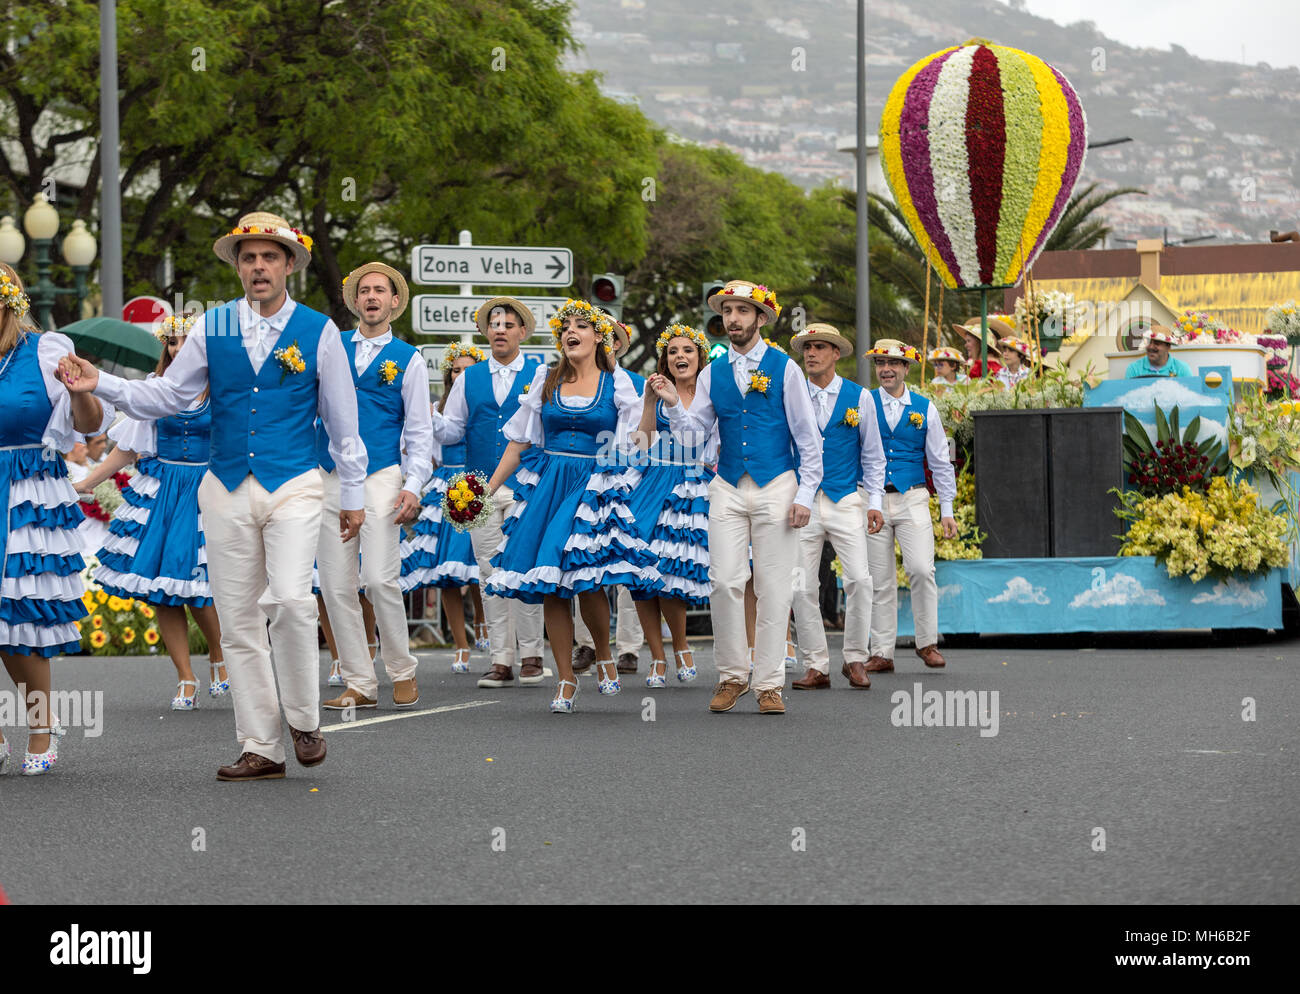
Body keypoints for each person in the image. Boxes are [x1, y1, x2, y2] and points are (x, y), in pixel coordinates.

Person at [60, 210, 367, 782]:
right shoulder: (214, 326)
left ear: (289, 266)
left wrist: (352, 492)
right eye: (248, 257)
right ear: (238, 267)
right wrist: (96, 383)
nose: (258, 266)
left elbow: (343, 421)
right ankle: (261, 745)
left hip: (296, 483)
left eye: (269, 257)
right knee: (238, 617)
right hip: (223, 486)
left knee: (294, 601)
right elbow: (167, 396)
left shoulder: (319, 330)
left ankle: (303, 719)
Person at [648, 280, 822, 716]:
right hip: (726, 483)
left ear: (760, 318)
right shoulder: (712, 372)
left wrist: (805, 493)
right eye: (727, 311)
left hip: (777, 483)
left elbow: (808, 438)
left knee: (772, 587)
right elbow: (693, 437)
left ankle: (768, 683)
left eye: (742, 311)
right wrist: (672, 403)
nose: (733, 319)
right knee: (724, 580)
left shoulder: (786, 368)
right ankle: (731, 675)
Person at [484, 299, 660, 713]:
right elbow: (520, 442)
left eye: (581, 325)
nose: (570, 332)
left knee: (588, 578)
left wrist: (650, 404)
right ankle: (564, 677)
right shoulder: (546, 379)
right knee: (549, 578)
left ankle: (602, 653)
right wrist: (487, 490)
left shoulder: (616, 383)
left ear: (599, 336)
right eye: (565, 327)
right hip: (550, 485)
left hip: (592, 484)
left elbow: (640, 442)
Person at [74, 311, 226, 710]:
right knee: (161, 589)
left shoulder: (226, 388)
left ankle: (218, 652)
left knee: (198, 587)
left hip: (208, 489)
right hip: (163, 492)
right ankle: (185, 676)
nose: (178, 349)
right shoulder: (156, 389)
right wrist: (87, 483)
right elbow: (129, 447)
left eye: (185, 341)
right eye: (172, 342)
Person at [1, 264, 113, 775]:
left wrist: (77, 390)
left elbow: (89, 424)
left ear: (10, 301)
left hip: (25, 487)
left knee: (20, 615)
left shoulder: (46, 351)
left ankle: (41, 728)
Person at [316, 262, 431, 712]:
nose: (371, 297)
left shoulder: (409, 359)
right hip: (329, 473)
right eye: (364, 290)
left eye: (380, 291)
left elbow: (420, 433)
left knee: (380, 578)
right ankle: (359, 681)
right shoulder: (332, 347)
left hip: (382, 472)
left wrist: (415, 485)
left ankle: (402, 670)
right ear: (354, 300)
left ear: (394, 302)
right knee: (335, 585)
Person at [431, 297, 546, 689]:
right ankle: (500, 658)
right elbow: (452, 432)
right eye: (494, 323)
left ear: (522, 332)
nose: (500, 329)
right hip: (477, 488)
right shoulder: (469, 378)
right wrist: (426, 414)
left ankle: (532, 654)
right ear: (485, 332)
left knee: (525, 568)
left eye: (508, 324)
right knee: (488, 571)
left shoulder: (541, 372)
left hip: (525, 487)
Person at [786, 324, 886, 691]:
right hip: (803, 501)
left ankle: (855, 657)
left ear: (836, 354)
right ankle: (816, 664)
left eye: (820, 347)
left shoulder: (860, 398)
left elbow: (873, 456)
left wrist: (874, 502)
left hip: (845, 498)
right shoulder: (791, 393)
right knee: (800, 586)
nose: (811, 353)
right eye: (807, 347)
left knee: (860, 578)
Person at [627, 323, 718, 687]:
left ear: (700, 357)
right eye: (673, 351)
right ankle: (658, 656)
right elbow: (642, 442)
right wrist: (651, 402)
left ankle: (680, 646)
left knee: (672, 571)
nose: (680, 356)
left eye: (688, 351)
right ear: (665, 358)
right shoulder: (656, 391)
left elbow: (705, 443)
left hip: (693, 484)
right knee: (641, 571)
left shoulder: (711, 394)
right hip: (651, 483)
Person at [862, 339, 958, 674]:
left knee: (921, 568)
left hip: (912, 495)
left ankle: (926, 642)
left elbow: (941, 461)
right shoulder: (863, 403)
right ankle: (882, 651)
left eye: (893, 363)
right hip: (870, 497)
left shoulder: (925, 407)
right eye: (880, 363)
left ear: (906, 368)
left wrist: (947, 509)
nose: (885, 369)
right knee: (879, 579)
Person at [401, 341, 487, 674]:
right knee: (447, 572)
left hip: (476, 485)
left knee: (479, 562)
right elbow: (427, 446)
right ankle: (460, 646)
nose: (462, 374)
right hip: (445, 487)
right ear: (449, 374)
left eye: (468, 369)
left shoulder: (483, 405)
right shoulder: (436, 408)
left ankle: (482, 621)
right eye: (456, 369)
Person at [574, 318, 647, 675]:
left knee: (624, 566)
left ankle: (629, 647)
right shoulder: (574, 379)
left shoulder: (636, 384)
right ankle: (586, 643)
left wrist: (631, 479)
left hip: (626, 484)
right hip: (583, 483)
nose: (604, 345)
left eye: (609, 340)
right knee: (581, 562)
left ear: (616, 344)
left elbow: (646, 438)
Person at [1125, 326, 1192, 378]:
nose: (1151, 347)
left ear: (1168, 347)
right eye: (1148, 342)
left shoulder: (1181, 369)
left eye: (1157, 343)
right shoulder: (1134, 369)